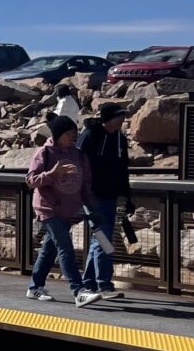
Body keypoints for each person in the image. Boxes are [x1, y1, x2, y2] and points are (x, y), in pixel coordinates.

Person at [27, 114, 99, 306]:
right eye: (68, 133)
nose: (72, 136)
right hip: (48, 208)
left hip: (68, 210)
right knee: (65, 247)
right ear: (58, 134)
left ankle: (34, 287)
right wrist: (52, 174)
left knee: (48, 250)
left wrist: (90, 206)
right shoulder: (44, 153)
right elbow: (31, 180)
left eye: (74, 133)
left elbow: (85, 183)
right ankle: (79, 291)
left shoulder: (79, 155)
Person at [77, 102, 132, 300]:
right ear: (107, 118)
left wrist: (127, 196)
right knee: (103, 239)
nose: (122, 120)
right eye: (118, 116)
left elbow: (123, 169)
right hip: (92, 196)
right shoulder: (90, 135)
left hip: (110, 196)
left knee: (99, 239)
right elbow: (77, 162)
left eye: (123, 116)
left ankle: (89, 283)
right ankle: (104, 284)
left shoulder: (120, 140)